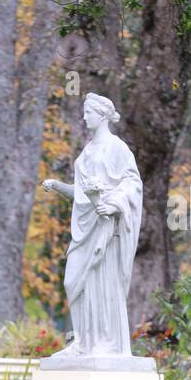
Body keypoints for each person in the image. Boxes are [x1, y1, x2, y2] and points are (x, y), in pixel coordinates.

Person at [41, 93, 143, 358]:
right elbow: (81, 193)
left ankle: (103, 343)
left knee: (103, 283)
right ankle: (83, 342)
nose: (85, 117)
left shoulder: (117, 147)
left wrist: (112, 204)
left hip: (107, 231)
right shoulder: (87, 151)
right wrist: (57, 186)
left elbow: (133, 184)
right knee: (72, 280)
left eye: (89, 112)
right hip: (86, 227)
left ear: (102, 115)